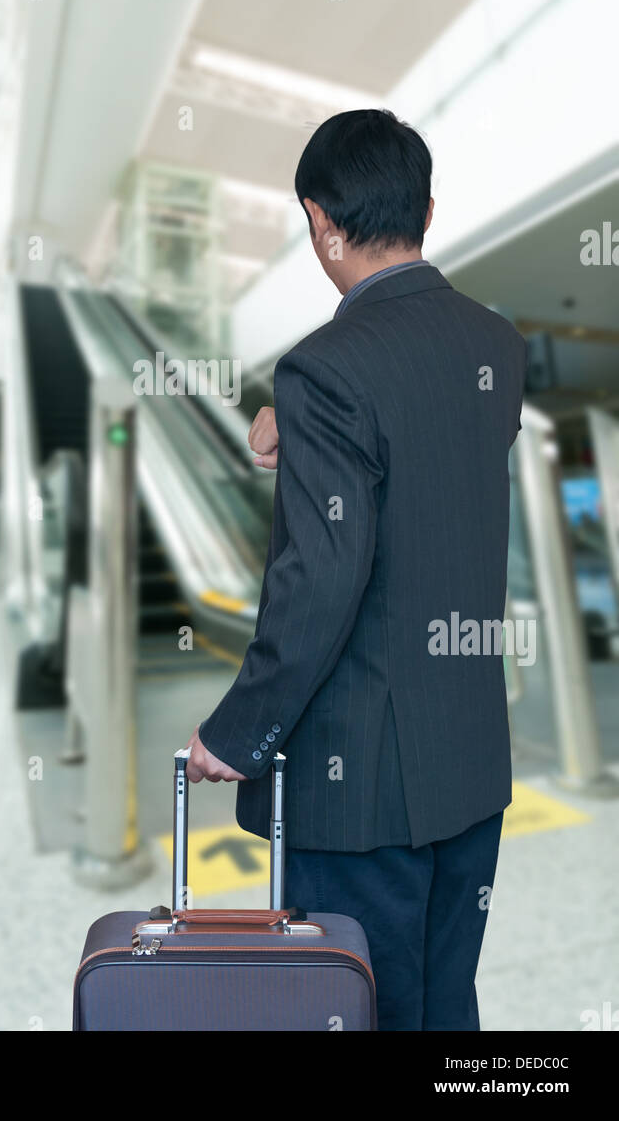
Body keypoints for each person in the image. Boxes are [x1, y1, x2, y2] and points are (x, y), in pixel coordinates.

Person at [183, 108, 526, 1031]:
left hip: (357, 783)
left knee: (356, 1007)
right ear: (424, 208)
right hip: (467, 762)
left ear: (320, 221)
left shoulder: (323, 367)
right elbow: (426, 446)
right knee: (444, 1004)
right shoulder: (495, 345)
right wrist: (296, 430)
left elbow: (323, 578)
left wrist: (239, 731)